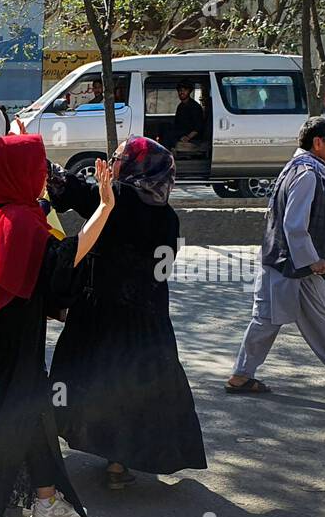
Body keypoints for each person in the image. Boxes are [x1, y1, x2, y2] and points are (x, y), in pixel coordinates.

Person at [0, 135, 114, 517]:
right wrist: (104, 208)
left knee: (31, 414)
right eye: (36, 165)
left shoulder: (1, 212)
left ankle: (45, 499)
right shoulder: (21, 221)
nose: (43, 173)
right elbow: (61, 261)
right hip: (14, 340)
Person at [46, 136, 206, 490]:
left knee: (90, 379)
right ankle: (119, 462)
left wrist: (29, 150)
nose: (112, 162)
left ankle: (47, 454)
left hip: (100, 314)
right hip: (147, 320)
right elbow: (162, 269)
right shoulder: (168, 218)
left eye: (118, 157)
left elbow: (67, 188)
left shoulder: (115, 199)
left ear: (135, 166)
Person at [226, 117, 325, 402]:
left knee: (319, 322)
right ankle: (241, 376)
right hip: (291, 265)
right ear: (318, 142)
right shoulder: (307, 174)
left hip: (291, 264)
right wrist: (312, 261)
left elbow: (315, 214)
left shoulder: (302, 169)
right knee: (267, 321)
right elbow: (294, 223)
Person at [172, 80, 205, 147]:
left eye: (184, 90)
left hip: (192, 136)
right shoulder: (180, 106)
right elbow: (177, 123)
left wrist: (187, 137)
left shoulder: (195, 107)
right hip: (181, 133)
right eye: (180, 90)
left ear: (189, 91)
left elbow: (198, 127)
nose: (181, 92)